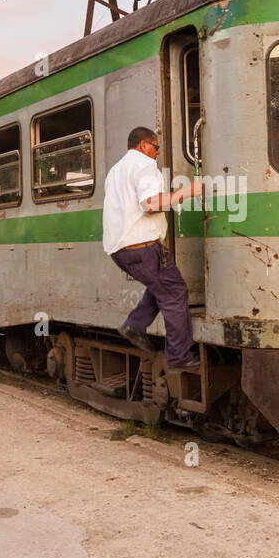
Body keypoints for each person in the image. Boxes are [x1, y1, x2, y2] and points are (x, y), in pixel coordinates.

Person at [103, 126, 203, 374]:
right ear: (143, 145)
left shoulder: (116, 170)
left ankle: (135, 325)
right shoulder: (144, 165)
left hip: (121, 251)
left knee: (161, 284)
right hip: (142, 247)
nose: (157, 152)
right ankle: (179, 356)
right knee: (175, 292)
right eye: (156, 147)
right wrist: (187, 192)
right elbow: (150, 204)